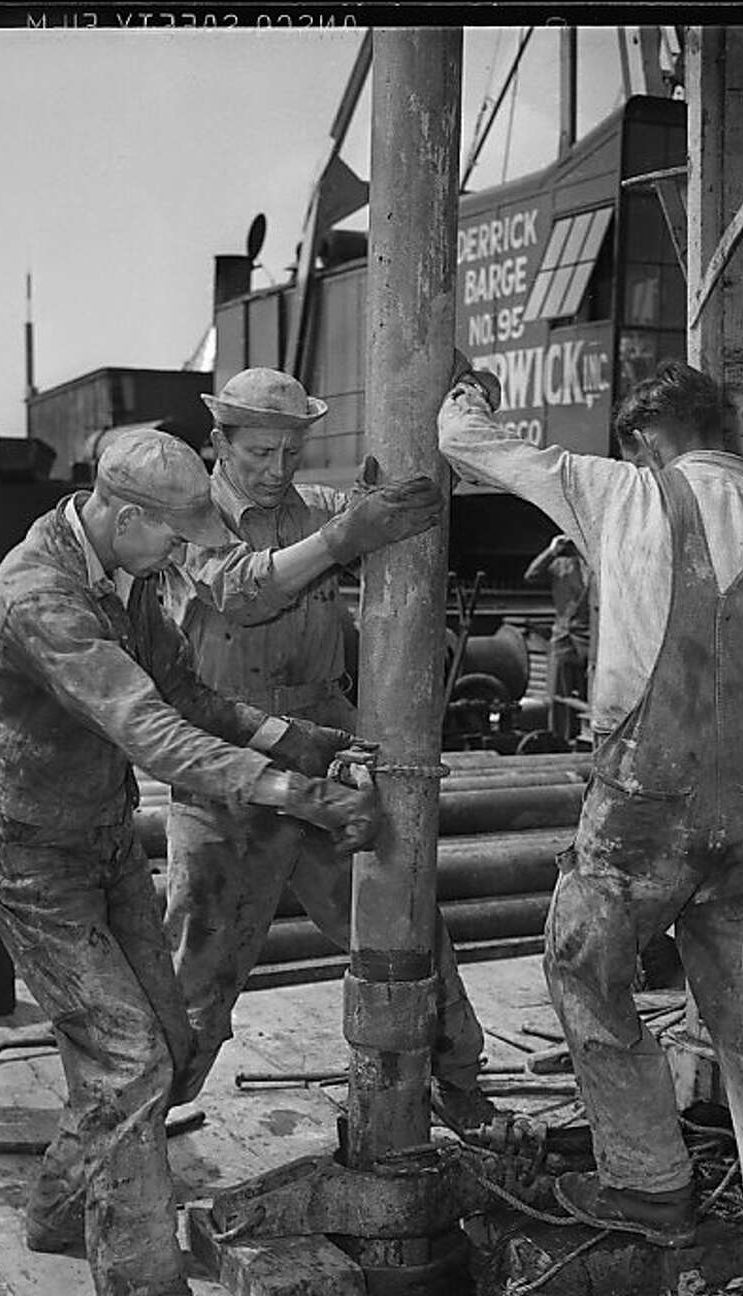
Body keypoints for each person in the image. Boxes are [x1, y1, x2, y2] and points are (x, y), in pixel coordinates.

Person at [437, 360, 743, 1296]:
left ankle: (648, 1178)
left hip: (641, 820)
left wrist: (470, 391)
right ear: (726, 430)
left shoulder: (621, 493)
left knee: (581, 964)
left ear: (645, 439)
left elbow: (469, 444)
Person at [0, 427, 380, 1296]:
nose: (180, 557)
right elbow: (148, 727)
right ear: (123, 517)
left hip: (102, 844)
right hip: (32, 866)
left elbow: (186, 691)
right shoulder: (41, 597)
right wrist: (292, 793)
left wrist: (298, 741)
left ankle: (58, 1207)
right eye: (171, 538)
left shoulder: (128, 576)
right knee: (130, 1064)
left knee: (167, 1039)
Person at [160, 365, 507, 1134]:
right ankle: (143, 1119)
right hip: (227, 770)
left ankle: (457, 1078)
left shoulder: (313, 509)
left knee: (406, 923)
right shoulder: (186, 520)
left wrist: (451, 403)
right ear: (218, 442)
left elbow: (408, 506)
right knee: (198, 975)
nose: (277, 470)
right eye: (259, 453)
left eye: (291, 453)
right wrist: (345, 537)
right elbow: (244, 588)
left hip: (323, 754)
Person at [523, 532, 593, 742]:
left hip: (591, 635)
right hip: (564, 634)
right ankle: (559, 736)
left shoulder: (597, 565)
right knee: (557, 692)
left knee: (591, 690)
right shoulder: (561, 564)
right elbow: (531, 575)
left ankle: (588, 734)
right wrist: (551, 551)